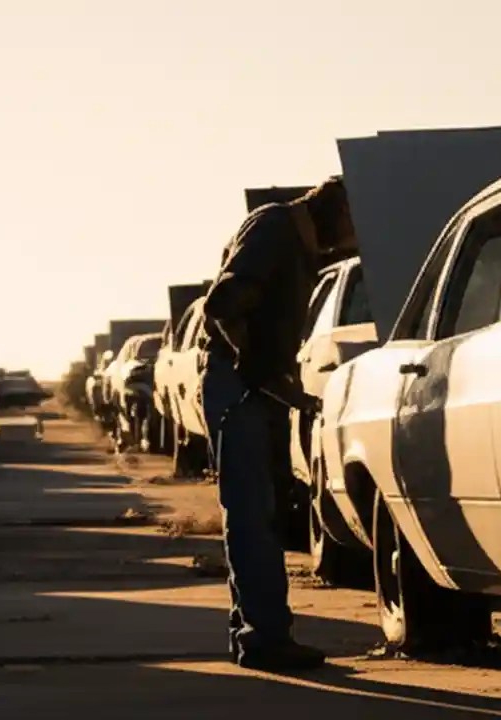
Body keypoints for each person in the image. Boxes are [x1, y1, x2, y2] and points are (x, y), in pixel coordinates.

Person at [199, 176, 356, 671]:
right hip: (238, 389)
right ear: (336, 211)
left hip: (253, 387)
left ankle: (256, 633)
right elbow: (222, 305)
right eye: (352, 227)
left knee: (259, 516)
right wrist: (253, 371)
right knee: (253, 517)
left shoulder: (291, 237)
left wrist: (284, 388)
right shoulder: (274, 228)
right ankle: (264, 638)